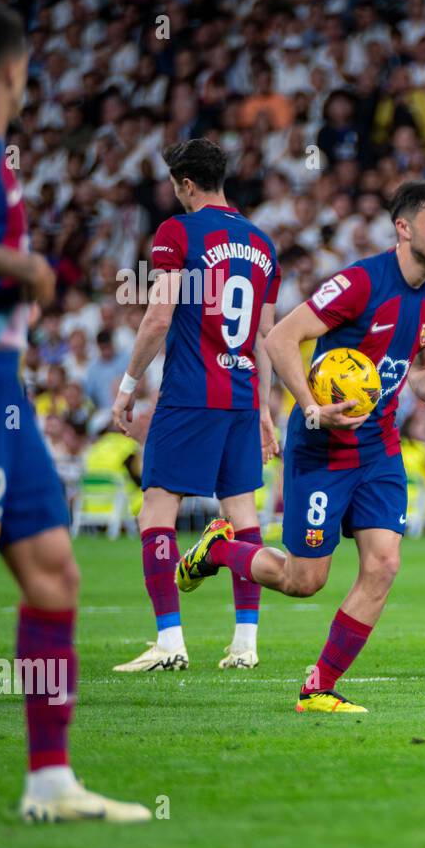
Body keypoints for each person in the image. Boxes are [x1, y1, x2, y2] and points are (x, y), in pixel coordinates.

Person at [175, 179, 425, 713]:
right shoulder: (359, 282)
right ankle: (219, 549)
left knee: (384, 564)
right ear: (403, 228)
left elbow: (423, 365)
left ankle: (319, 687)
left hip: (379, 448)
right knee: (304, 580)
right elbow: (279, 338)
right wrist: (309, 406)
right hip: (321, 449)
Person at [0, 2, 147, 822]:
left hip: (2, 389)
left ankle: (49, 783)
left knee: (53, 575)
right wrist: (24, 265)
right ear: (14, 68)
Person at [112, 138, 280, 672]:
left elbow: (159, 315)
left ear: (185, 184)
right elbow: (266, 335)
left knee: (156, 510)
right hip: (240, 394)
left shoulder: (177, 231)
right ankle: (245, 644)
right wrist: (265, 412)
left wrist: (128, 382)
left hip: (190, 393)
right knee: (243, 515)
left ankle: (170, 642)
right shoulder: (262, 241)